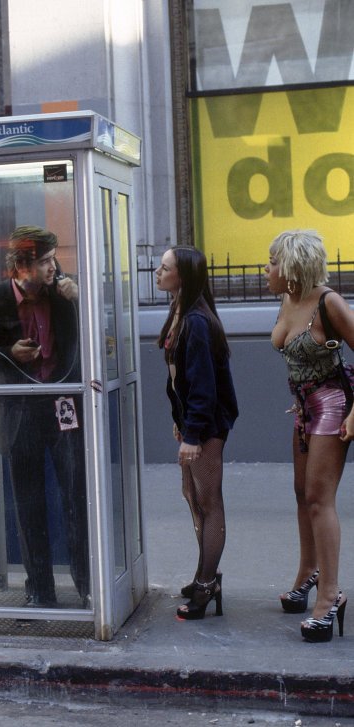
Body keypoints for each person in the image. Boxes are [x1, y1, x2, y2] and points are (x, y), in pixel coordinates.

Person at [0, 225, 89, 608]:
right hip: (19, 410)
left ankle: (85, 583)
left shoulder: (65, 294)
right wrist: (10, 352)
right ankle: (39, 587)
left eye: (53, 260)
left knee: (76, 494)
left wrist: (80, 302)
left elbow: (99, 341)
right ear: (21, 266)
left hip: (62, 405)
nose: (53, 268)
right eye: (45, 261)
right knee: (28, 504)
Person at [265, 229, 354, 642]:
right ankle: (308, 574)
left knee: (320, 499)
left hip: (333, 405)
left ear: (293, 266)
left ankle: (330, 596)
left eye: (272, 262)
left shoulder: (327, 302)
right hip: (304, 406)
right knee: (301, 494)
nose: (267, 269)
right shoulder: (288, 298)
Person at [156, 246, 238, 620]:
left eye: (165, 268)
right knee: (193, 497)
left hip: (206, 427)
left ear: (182, 277)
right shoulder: (180, 313)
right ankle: (205, 574)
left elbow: (203, 385)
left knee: (209, 502)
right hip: (194, 422)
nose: (158, 272)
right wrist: (182, 420)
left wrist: (193, 435)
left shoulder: (197, 322)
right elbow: (181, 381)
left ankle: (207, 585)